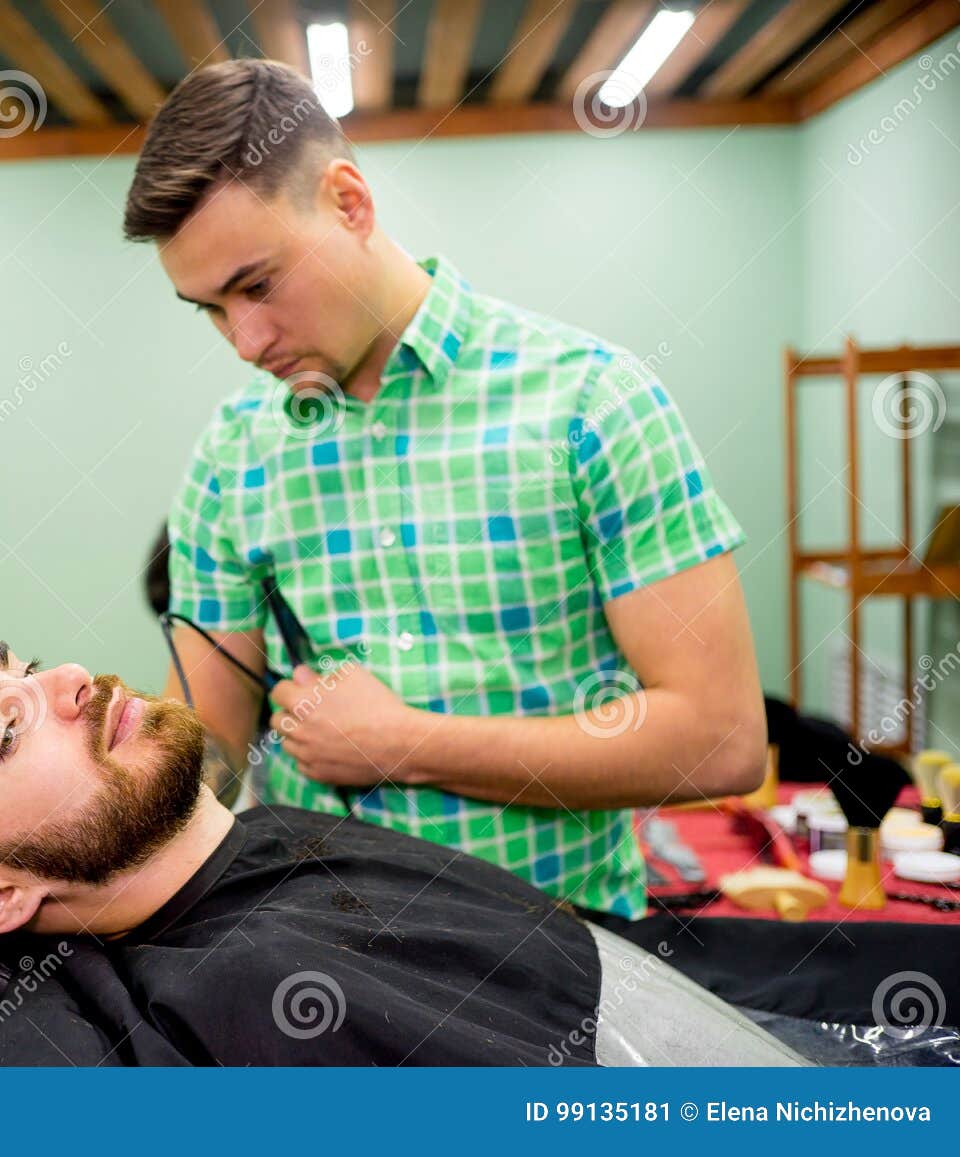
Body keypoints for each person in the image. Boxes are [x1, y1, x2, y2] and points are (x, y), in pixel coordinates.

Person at [124, 59, 767, 920]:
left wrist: (407, 745)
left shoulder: (593, 402)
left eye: (258, 285)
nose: (243, 340)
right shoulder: (233, 453)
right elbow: (212, 751)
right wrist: (84, 806)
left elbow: (722, 741)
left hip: (571, 969)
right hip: (325, 978)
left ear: (349, 202)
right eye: (208, 307)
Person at [0, 641, 802, 1067]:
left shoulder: (248, 859)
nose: (73, 677)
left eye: (28, 666)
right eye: (6, 728)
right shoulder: (262, 991)